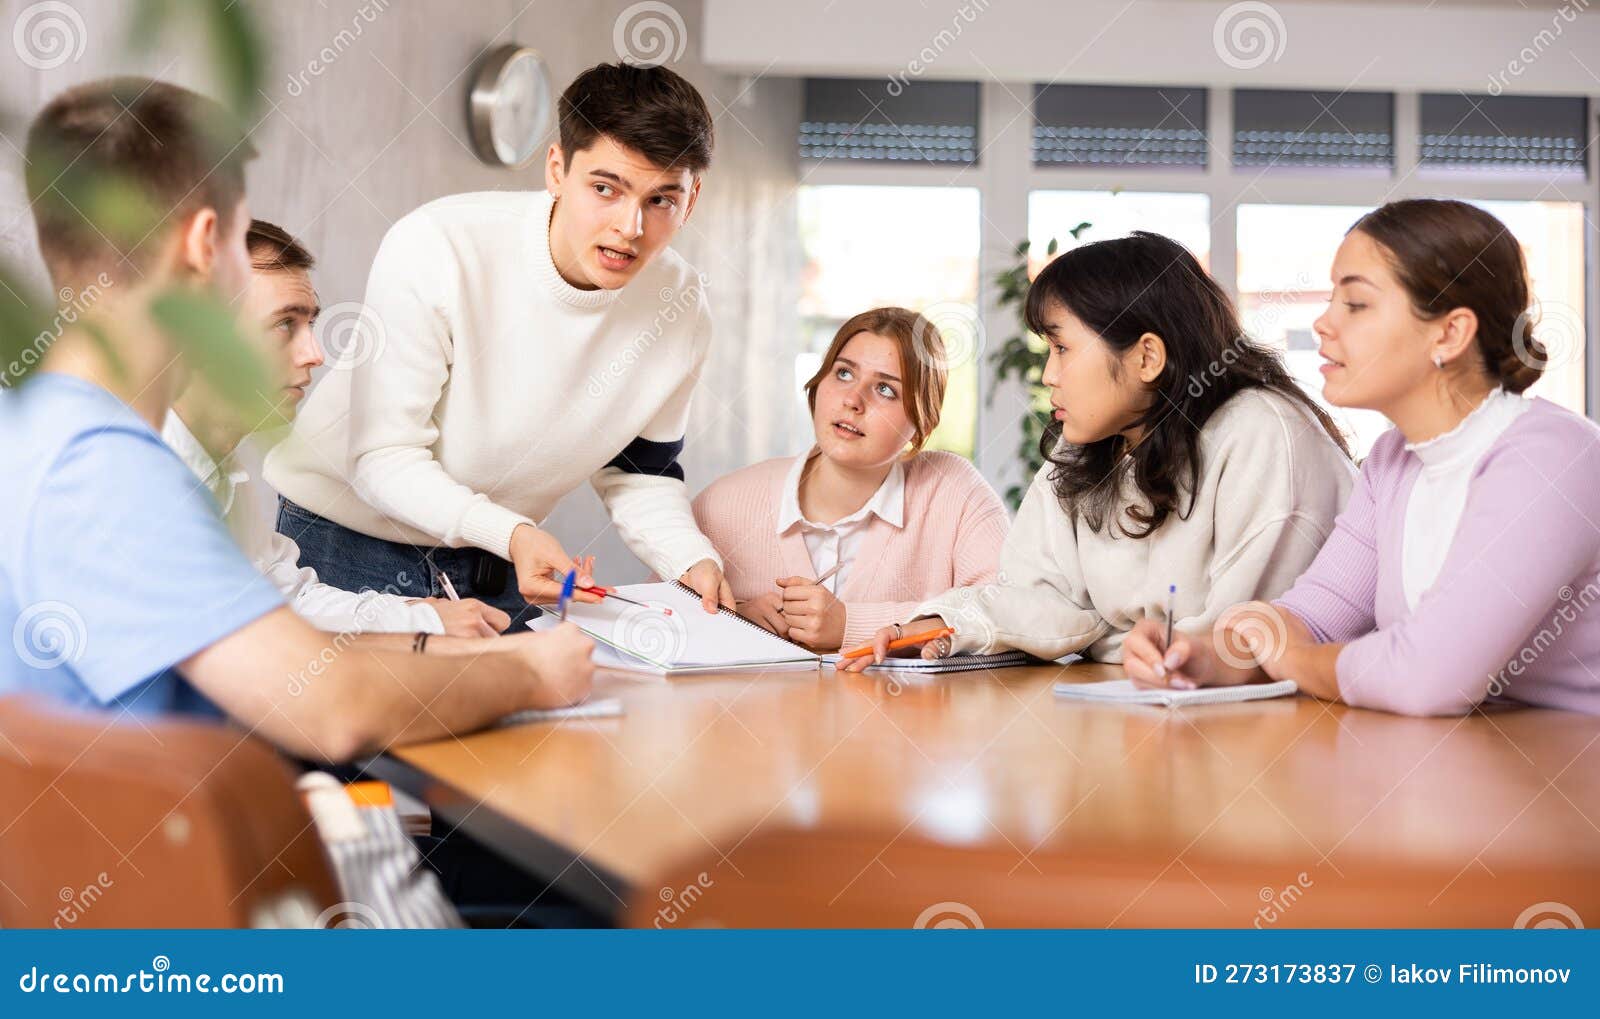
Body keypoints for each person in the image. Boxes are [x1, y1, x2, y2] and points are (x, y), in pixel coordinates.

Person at [1, 77, 594, 765]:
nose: (311, 354)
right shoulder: (105, 472)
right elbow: (333, 708)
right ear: (203, 243)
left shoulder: (34, 428)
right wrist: (533, 671)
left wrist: (431, 635)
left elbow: (288, 648)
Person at [263, 61, 733, 625]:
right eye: (606, 189)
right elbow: (382, 457)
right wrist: (511, 532)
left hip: (499, 561)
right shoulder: (439, 246)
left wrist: (689, 559)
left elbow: (640, 472)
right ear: (557, 169)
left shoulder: (680, 307)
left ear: (693, 197)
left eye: (661, 200)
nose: (630, 227)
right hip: (341, 550)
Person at [1123, 200, 1600, 716]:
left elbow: (1428, 678)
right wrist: (1201, 654)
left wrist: (1297, 659)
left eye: (1355, 303)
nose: (1324, 323)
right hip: (1466, 762)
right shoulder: (1392, 461)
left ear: (1450, 333)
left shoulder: (1553, 460)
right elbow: (1311, 619)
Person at [844, 231, 1355, 671]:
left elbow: (1246, 644)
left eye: (1062, 348)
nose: (1048, 375)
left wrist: (1103, 638)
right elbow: (1046, 598)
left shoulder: (1262, 434)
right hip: (1150, 711)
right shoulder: (1088, 445)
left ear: (1146, 356)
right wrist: (945, 622)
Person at [163, 219, 507, 637]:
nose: (314, 353)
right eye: (282, 326)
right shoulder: (148, 485)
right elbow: (249, 637)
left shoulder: (216, 462)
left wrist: (423, 614)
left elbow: (286, 596)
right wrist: (423, 625)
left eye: (309, 325)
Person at [692, 307, 1008, 652]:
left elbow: (1014, 612)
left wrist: (851, 625)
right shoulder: (725, 502)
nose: (853, 400)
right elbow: (658, 622)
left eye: (885, 390)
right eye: (843, 373)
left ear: (921, 427)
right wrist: (733, 620)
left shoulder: (954, 491)